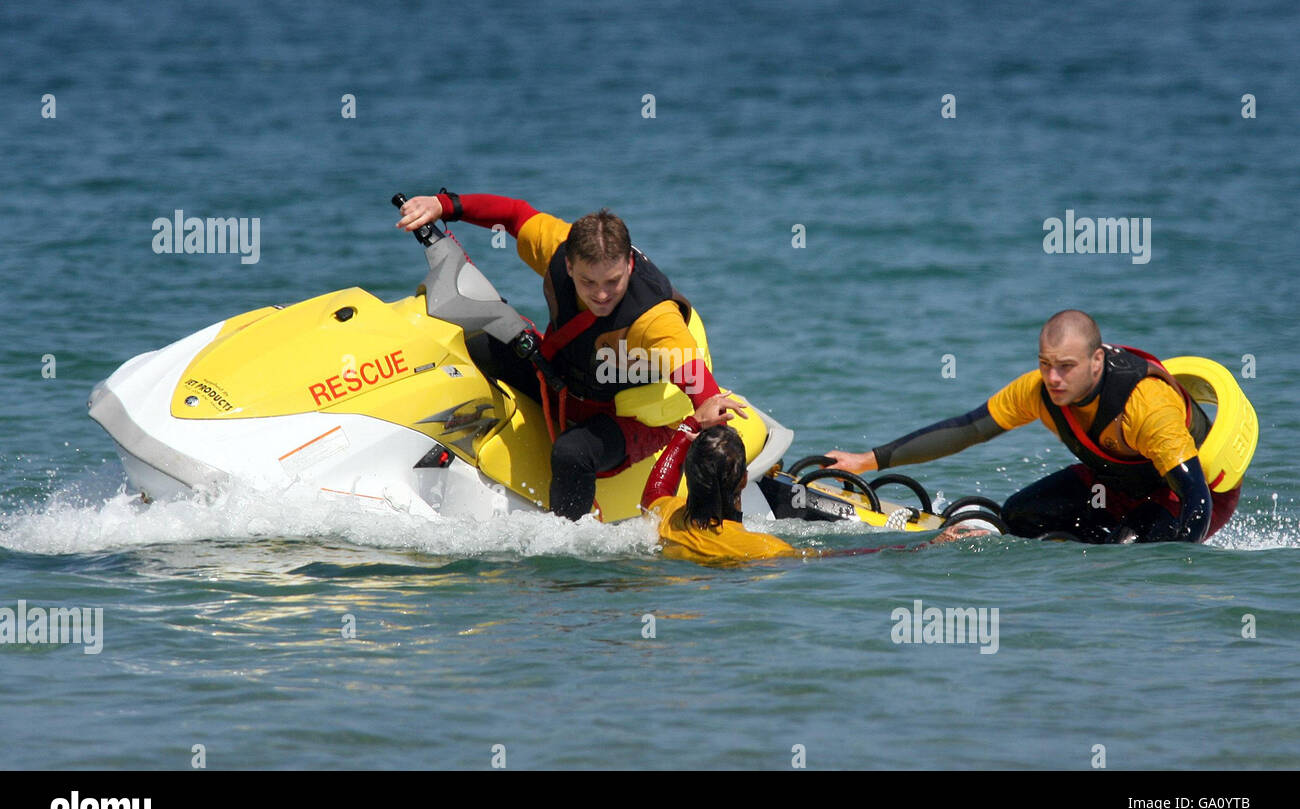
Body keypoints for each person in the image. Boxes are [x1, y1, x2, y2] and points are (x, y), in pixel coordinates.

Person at [397, 190, 745, 520]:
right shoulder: (559, 248)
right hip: (563, 379)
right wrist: (443, 205)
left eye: (612, 281)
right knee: (470, 343)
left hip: (630, 419)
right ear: (568, 266)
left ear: (627, 264)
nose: (602, 294)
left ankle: (569, 552)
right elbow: (516, 216)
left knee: (572, 453)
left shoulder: (653, 318)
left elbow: (695, 377)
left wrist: (708, 403)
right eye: (588, 283)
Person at [824, 310, 1240, 544]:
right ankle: (1088, 544)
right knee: (1019, 517)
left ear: (1097, 362)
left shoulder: (1146, 405)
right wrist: (866, 460)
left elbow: (1197, 500)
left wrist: (1181, 574)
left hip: (1185, 491)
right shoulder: (1038, 391)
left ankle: (1110, 543)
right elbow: (969, 429)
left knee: (1128, 548)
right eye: (1046, 365)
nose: (1053, 378)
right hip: (1113, 481)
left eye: (1066, 367)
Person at [640, 410, 989, 563]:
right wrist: (926, 545)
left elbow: (654, 490)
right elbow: (840, 558)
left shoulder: (666, 519)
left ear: (689, 476)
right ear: (744, 480)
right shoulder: (761, 548)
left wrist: (689, 427)